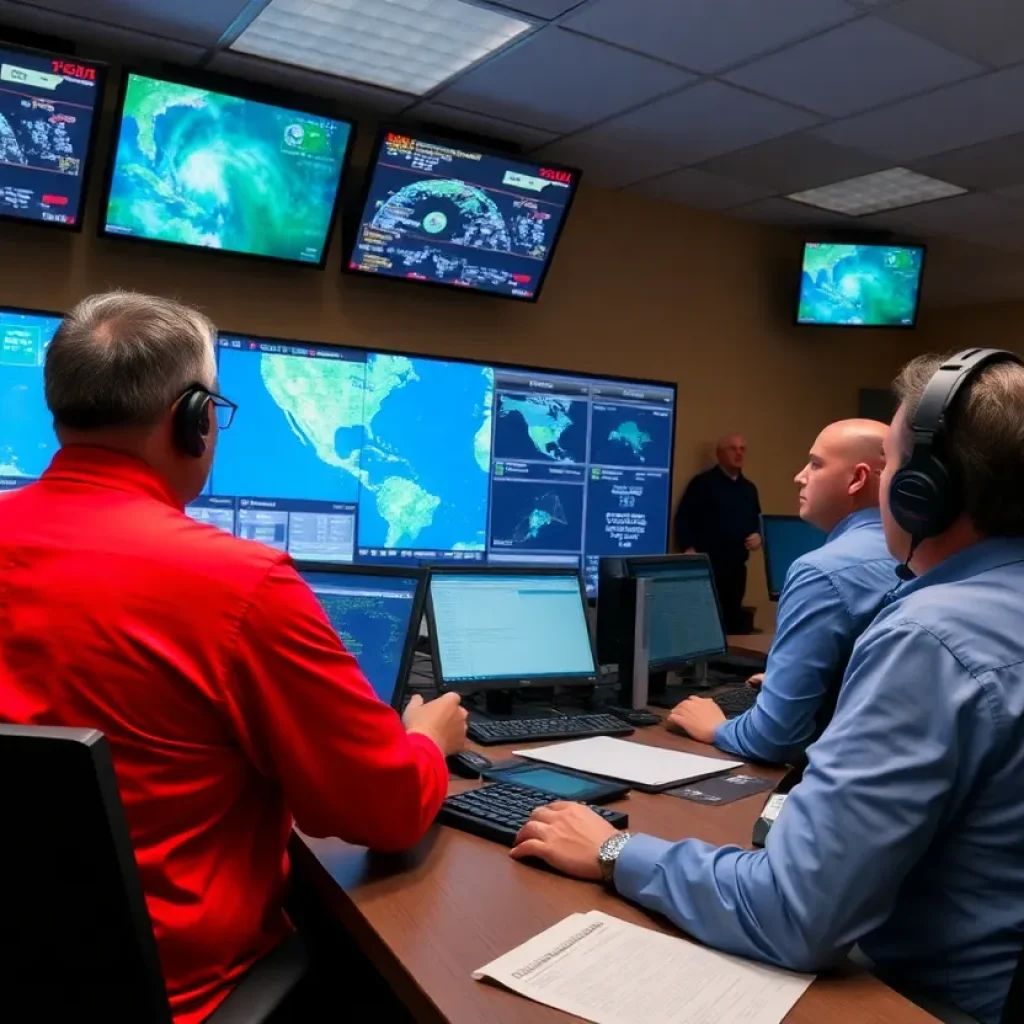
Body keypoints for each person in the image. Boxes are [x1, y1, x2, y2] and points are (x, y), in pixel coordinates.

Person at [510, 349, 1024, 1024]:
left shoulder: (930, 639)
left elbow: (795, 914)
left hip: (923, 998)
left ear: (923, 490)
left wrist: (613, 850)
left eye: (896, 465)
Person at [0, 292, 468, 1024]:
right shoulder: (240, 586)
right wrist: (427, 742)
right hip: (186, 996)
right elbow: (381, 811)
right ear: (194, 422)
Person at [669, 419, 897, 765]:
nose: (800, 476)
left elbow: (773, 739)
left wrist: (716, 728)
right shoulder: (921, 555)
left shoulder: (822, 572)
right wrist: (789, 683)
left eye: (816, 464)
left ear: (857, 479)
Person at [674, 434, 760, 633]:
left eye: (742, 449)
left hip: (737, 569)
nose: (738, 453)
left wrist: (758, 536)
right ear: (720, 454)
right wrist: (688, 548)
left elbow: (757, 521)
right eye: (733, 448)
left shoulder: (749, 489)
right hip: (707, 567)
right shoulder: (702, 484)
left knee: (730, 625)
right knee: (704, 624)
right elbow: (683, 518)